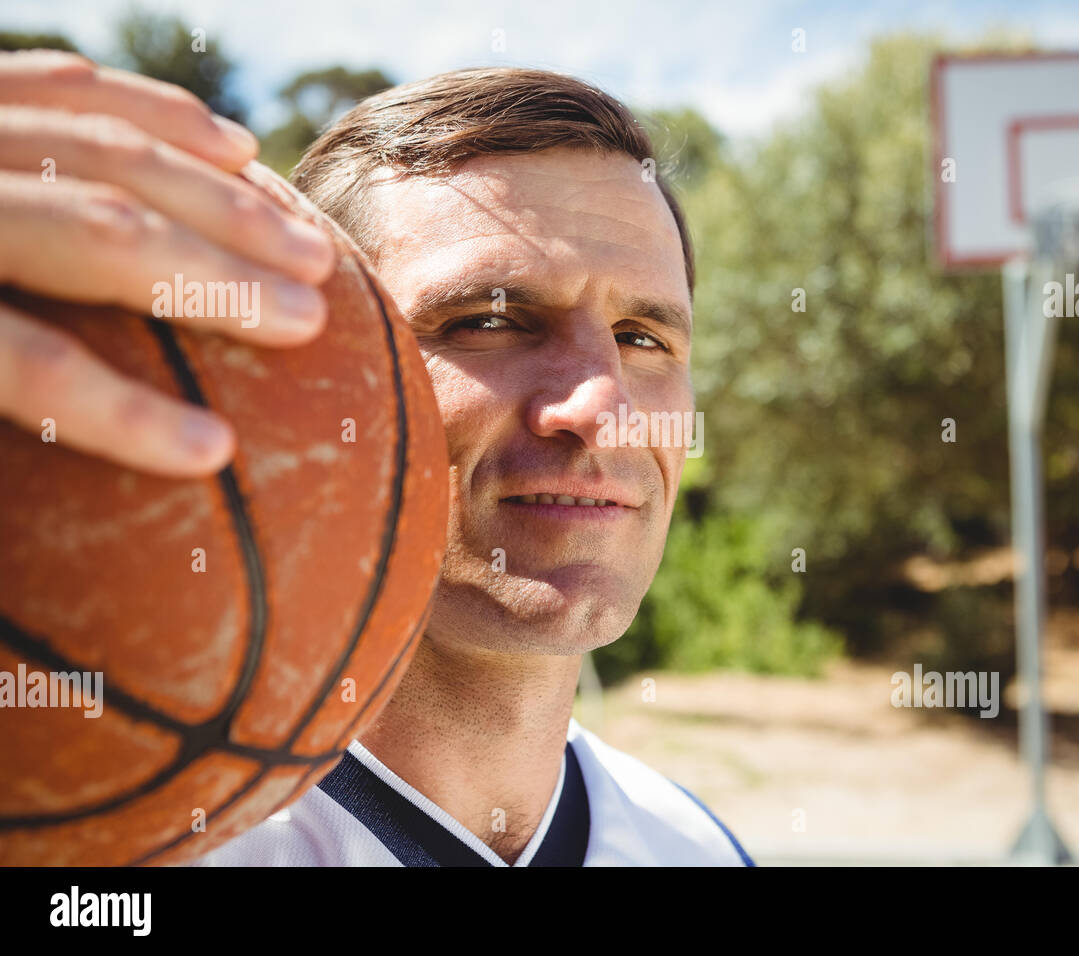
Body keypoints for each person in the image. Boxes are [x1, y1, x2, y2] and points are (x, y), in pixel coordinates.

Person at [0, 50, 752, 866]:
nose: (600, 410)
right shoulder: (105, 845)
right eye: (489, 322)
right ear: (324, 382)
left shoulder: (699, 847)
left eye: (643, 339)